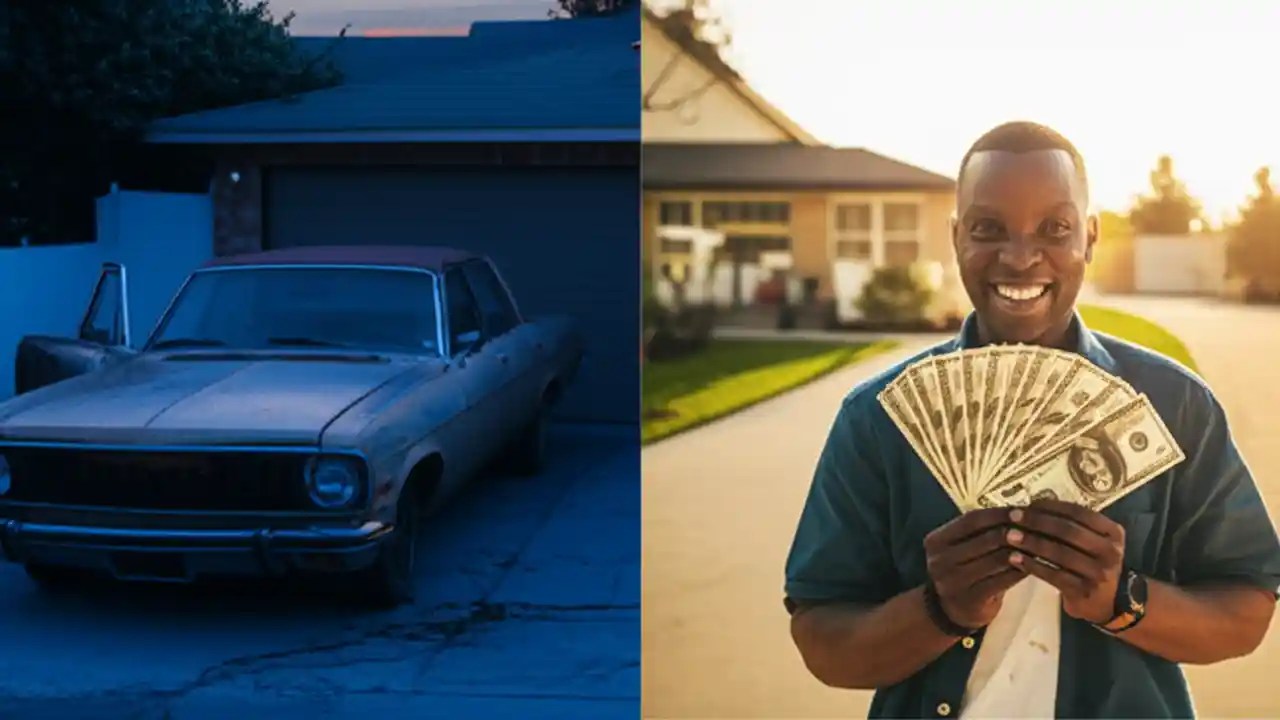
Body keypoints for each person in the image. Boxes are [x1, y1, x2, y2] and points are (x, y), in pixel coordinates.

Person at [783, 120, 1280, 718]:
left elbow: (1248, 607)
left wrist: (1121, 599)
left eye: (1056, 229)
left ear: (1090, 240)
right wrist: (940, 608)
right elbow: (822, 638)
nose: (1020, 258)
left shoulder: (1175, 406)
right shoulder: (878, 417)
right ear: (956, 238)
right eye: (988, 229)